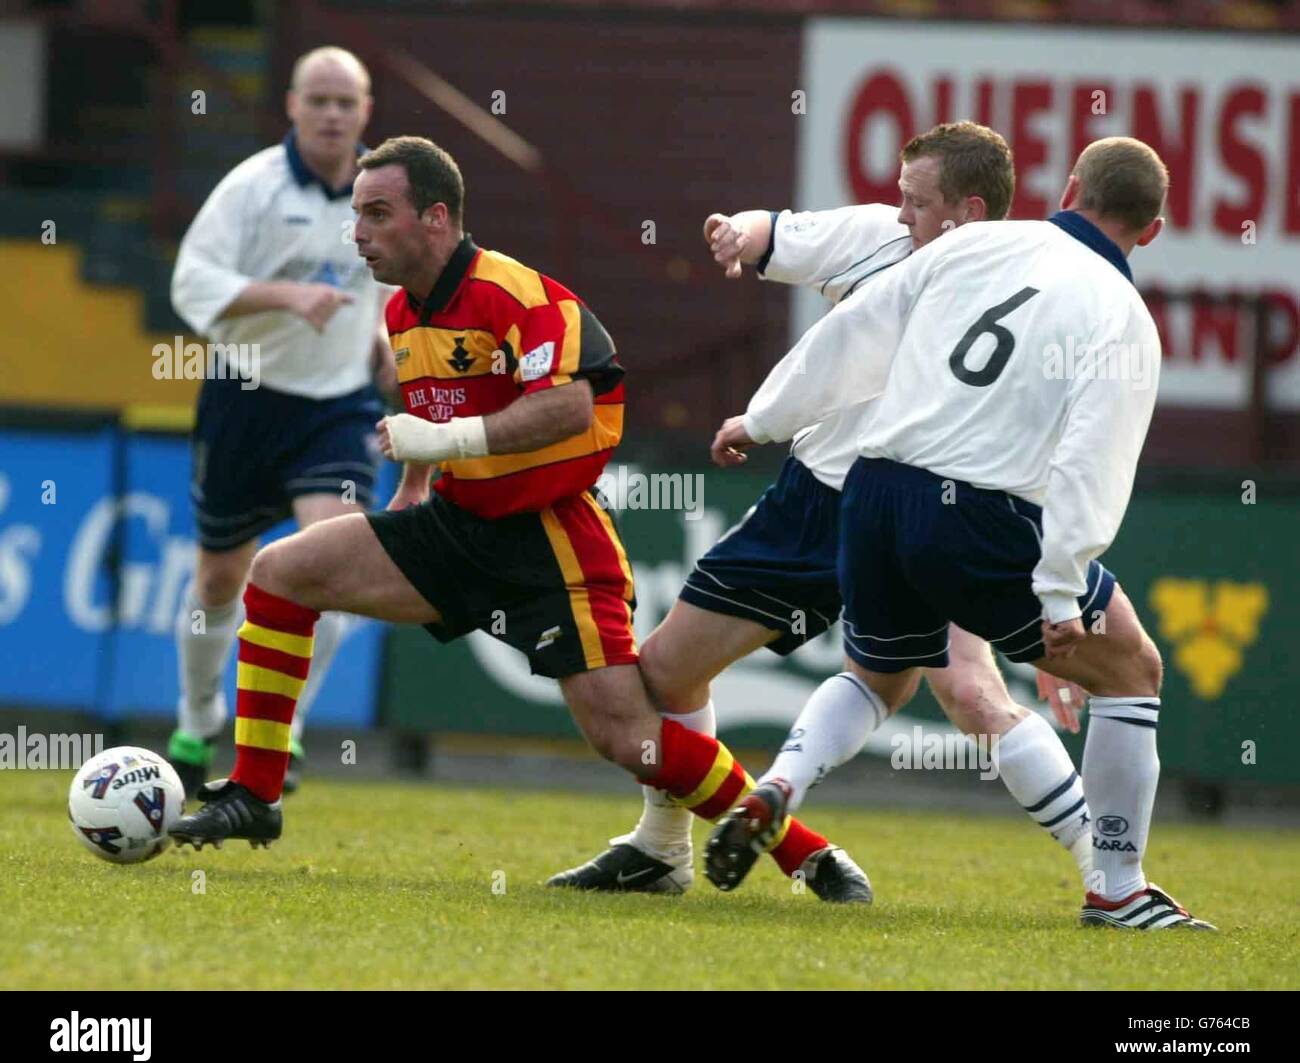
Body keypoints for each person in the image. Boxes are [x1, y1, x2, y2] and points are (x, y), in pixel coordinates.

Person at [167, 136, 864, 903]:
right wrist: (414, 482)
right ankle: (255, 793)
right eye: (356, 213)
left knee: (626, 739)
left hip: (548, 539)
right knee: (279, 574)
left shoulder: (514, 293)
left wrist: (446, 442)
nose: (356, 231)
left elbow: (568, 405)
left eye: (376, 213)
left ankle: (805, 851)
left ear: (436, 218)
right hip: (454, 522)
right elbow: (432, 405)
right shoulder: (402, 307)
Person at [549, 122, 1093, 898]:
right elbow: (778, 235)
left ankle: (1108, 874)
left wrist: (1038, 600)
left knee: (970, 695)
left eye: (917, 201)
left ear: (970, 211)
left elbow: (1049, 445)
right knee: (667, 672)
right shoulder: (877, 235)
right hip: (814, 505)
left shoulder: (1028, 294)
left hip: (932, 509)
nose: (900, 212)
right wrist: (736, 233)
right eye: (900, 195)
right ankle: (662, 847)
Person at [708, 136, 1215, 931]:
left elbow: (858, 332)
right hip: (975, 510)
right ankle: (1117, 887)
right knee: (1133, 667)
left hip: (872, 491)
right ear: (1150, 231)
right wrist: (1058, 585)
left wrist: (763, 417)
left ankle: (783, 784)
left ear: (1071, 185)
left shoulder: (976, 242)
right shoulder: (1125, 318)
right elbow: (1092, 462)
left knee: (879, 677)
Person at [167, 46, 395, 796]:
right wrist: (285, 297)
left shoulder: (387, 191)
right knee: (220, 577)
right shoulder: (253, 186)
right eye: (318, 99)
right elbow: (190, 281)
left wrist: (393, 356)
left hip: (338, 406)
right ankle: (198, 718)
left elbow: (400, 291)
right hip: (245, 394)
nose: (332, 114)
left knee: (328, 566)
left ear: (364, 110)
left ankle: (282, 729)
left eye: (346, 101)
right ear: (292, 105)